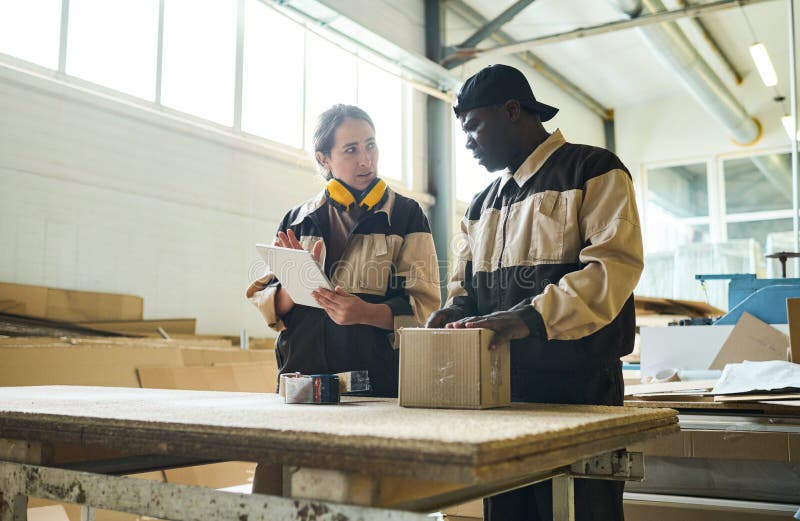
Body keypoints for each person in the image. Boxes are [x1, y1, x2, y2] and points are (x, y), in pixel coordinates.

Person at [425, 64, 643, 521]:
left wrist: (529, 317)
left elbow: (611, 269)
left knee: (581, 511)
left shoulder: (594, 170)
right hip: (500, 393)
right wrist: (454, 311)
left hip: (579, 390)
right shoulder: (481, 204)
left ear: (512, 111)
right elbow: (463, 283)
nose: (467, 143)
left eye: (474, 126)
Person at [247, 104, 441, 398]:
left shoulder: (406, 216)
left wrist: (366, 313)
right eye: (351, 150)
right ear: (323, 159)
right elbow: (266, 302)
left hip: (375, 389)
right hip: (300, 382)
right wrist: (295, 286)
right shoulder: (296, 221)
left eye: (370, 145)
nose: (366, 160)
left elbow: (425, 309)